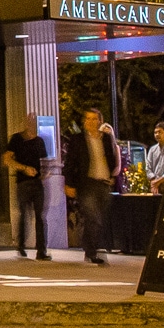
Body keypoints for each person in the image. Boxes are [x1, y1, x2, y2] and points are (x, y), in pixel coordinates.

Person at [61, 107, 118, 266]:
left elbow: (112, 157)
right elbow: (70, 163)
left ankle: (89, 247)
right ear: (84, 122)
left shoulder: (106, 138)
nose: (91, 122)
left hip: (103, 183)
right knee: (94, 218)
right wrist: (69, 184)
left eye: (94, 119)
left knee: (100, 218)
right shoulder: (78, 140)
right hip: (86, 184)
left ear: (100, 121)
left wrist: (112, 176)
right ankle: (92, 251)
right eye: (88, 119)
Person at [4, 115, 50, 261]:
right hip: (23, 182)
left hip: (37, 182)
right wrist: (24, 168)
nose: (32, 125)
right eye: (30, 122)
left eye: (35, 122)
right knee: (23, 214)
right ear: (25, 123)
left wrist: (44, 173)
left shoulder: (39, 141)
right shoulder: (17, 139)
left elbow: (44, 161)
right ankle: (21, 245)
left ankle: (41, 250)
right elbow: (6, 159)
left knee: (40, 216)